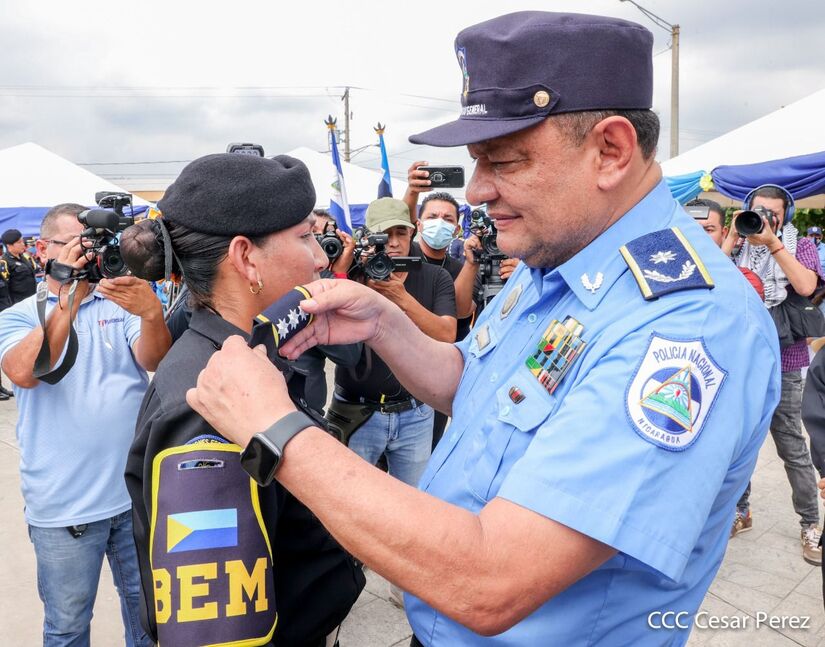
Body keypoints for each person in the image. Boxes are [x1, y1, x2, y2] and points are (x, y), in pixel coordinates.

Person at [183, 12, 780, 646]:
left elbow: (495, 580)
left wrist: (277, 430)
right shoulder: (561, 253)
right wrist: (385, 322)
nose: (477, 190)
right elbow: (481, 386)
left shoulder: (689, 324)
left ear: (610, 150)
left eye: (504, 161)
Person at [122, 153, 364, 647]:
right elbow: (218, 629)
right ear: (245, 256)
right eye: (304, 237)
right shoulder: (205, 402)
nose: (321, 258)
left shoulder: (244, 356)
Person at [0, 203, 171, 647]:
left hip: (132, 497)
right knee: (67, 626)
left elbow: (154, 361)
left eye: (95, 245)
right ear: (45, 249)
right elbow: (23, 373)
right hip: (64, 509)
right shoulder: (19, 314)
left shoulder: (122, 301)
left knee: (148, 619)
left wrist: (152, 313)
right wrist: (66, 304)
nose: (89, 255)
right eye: (77, 244)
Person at [723, 184, 824, 563]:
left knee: (792, 448)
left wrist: (774, 244)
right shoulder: (739, 245)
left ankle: (811, 524)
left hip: (785, 361)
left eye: (773, 213)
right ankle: (741, 511)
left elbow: (807, 286)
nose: (765, 218)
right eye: (759, 210)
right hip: (741, 359)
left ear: (786, 216)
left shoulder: (799, 245)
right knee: (739, 443)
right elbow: (713, 282)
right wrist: (734, 236)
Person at [331, 197, 456, 486]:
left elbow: (446, 334)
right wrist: (344, 271)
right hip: (356, 411)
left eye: (401, 232)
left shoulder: (435, 276)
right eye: (384, 234)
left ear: (413, 231)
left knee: (415, 501)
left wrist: (399, 297)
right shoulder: (353, 274)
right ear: (369, 236)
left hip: (415, 412)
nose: (394, 242)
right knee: (351, 500)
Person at [688, 198, 764, 537]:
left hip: (722, 395)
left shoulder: (744, 279)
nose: (700, 237)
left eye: (709, 229)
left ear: (724, 234)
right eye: (692, 228)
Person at [2, 228, 37, 304]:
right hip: (18, 303)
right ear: (9, 246)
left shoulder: (23, 258)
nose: (23, 244)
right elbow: (4, 289)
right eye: (19, 242)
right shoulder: (4, 262)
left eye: (22, 241)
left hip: (31, 300)